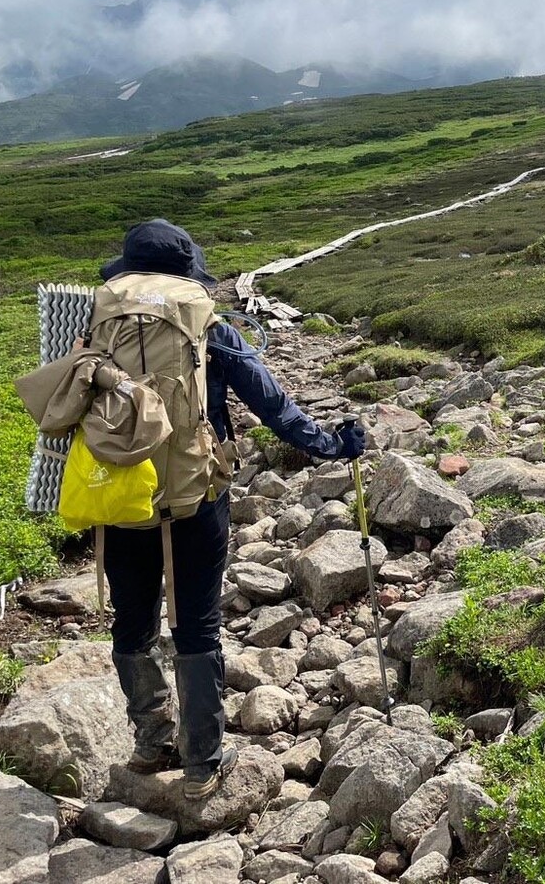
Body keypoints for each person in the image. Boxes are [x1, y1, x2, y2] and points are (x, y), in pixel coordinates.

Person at [97, 219, 366, 798]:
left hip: (119, 495)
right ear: (188, 273)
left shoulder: (96, 321)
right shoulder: (207, 324)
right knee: (196, 626)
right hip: (197, 495)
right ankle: (201, 766)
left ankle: (150, 743)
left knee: (132, 621)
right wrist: (331, 443)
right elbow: (270, 402)